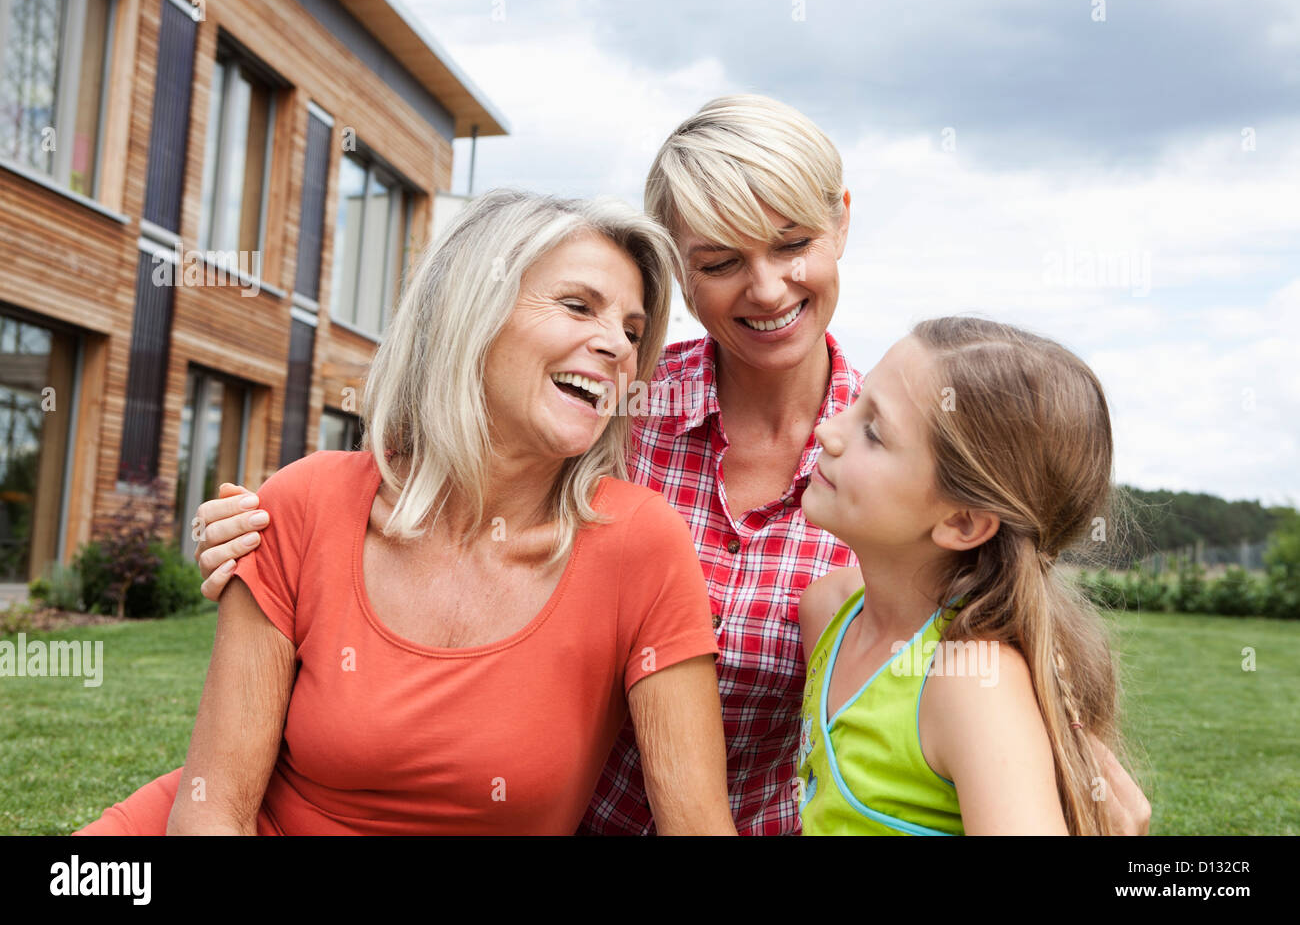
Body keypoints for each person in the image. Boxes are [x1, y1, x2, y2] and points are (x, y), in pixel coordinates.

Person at [192, 95, 1149, 835]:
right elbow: (439, 472)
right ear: (682, 273)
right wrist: (262, 531)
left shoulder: (908, 454)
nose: (768, 287)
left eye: (793, 244)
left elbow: (996, 590)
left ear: (842, 223)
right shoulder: (610, 418)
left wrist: (1069, 747)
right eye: (722, 260)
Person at [75, 190, 736, 835]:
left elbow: (697, 823)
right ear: (470, 312)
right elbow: (212, 808)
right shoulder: (305, 502)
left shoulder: (640, 545)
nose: (617, 347)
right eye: (577, 306)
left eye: (632, 331)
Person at [797, 317, 1135, 834]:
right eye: (856, 403)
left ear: (962, 522)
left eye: (873, 432)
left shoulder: (971, 682)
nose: (828, 430)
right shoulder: (829, 612)